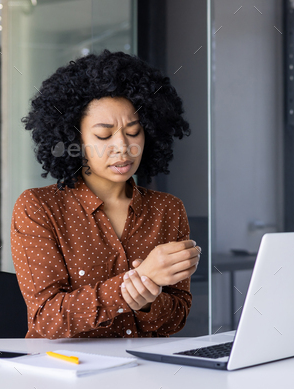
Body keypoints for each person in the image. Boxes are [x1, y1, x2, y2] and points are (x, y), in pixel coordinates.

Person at [11, 49, 201, 339]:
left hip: (141, 373)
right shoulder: (38, 207)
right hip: (63, 374)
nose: (123, 147)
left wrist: (148, 301)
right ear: (75, 138)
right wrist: (137, 281)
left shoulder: (168, 210)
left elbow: (176, 319)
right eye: (103, 135)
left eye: (134, 131)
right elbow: (47, 319)